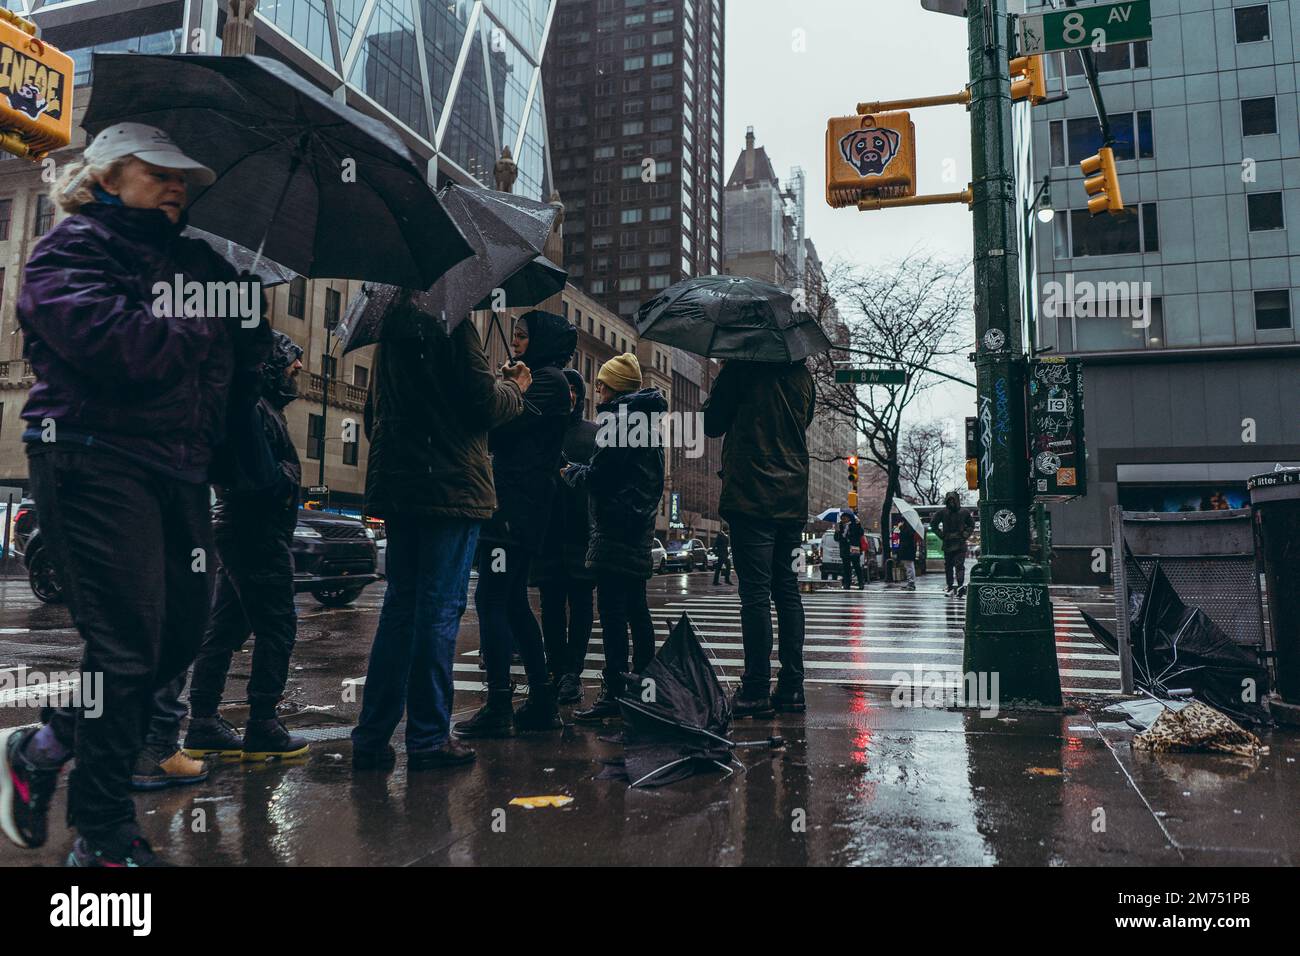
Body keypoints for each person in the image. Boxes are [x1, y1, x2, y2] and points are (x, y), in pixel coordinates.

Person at [0, 122, 270, 866]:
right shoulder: (74, 247)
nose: (180, 186)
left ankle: (47, 742)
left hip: (178, 470)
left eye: (187, 179)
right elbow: (119, 345)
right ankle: (103, 834)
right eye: (162, 173)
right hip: (90, 456)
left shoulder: (193, 262)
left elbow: (217, 382)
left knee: (177, 637)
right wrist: (202, 317)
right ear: (109, 177)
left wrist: (251, 343)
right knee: (125, 645)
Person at [351, 303, 528, 769]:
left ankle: (371, 735)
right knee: (439, 609)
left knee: (400, 609)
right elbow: (485, 405)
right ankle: (428, 738)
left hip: (400, 486)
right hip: (450, 488)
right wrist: (513, 385)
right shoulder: (453, 324)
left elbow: (373, 415)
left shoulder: (391, 332)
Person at [147, 331, 308, 767]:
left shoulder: (262, 407)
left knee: (223, 629)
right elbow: (255, 474)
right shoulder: (255, 407)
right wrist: (287, 477)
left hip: (242, 531)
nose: (299, 367)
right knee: (278, 627)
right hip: (257, 533)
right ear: (271, 364)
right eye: (292, 359)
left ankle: (203, 721)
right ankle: (263, 725)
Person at [455, 311, 576, 738]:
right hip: (520, 505)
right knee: (511, 601)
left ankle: (500, 705)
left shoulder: (548, 381)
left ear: (543, 341)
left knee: (492, 598)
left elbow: (500, 426)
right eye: (516, 336)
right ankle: (541, 700)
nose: (517, 342)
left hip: (515, 509)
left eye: (524, 337)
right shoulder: (545, 378)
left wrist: (506, 387)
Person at [703, 359, 814, 717]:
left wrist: (722, 382)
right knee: (786, 590)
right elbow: (801, 422)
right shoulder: (802, 375)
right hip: (792, 496)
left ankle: (754, 689)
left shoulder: (740, 368)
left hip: (751, 495)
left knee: (754, 594)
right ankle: (792, 688)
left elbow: (711, 423)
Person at [564, 353, 667, 722]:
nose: (598, 390)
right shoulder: (645, 423)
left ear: (615, 388)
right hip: (637, 530)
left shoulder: (620, 422)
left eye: (602, 384)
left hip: (615, 529)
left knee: (611, 613)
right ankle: (642, 685)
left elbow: (603, 475)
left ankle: (615, 691)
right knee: (636, 610)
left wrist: (575, 471)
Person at [531, 368, 597, 706]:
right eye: (564, 388)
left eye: (575, 389)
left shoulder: (594, 434)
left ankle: (573, 672)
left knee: (581, 604)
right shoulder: (542, 431)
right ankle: (555, 668)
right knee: (551, 605)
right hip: (547, 533)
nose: (569, 394)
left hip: (581, 534)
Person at [931, 491, 975, 596]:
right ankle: (951, 586)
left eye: (953, 500)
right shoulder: (942, 512)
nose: (951, 502)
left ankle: (959, 586)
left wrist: (965, 534)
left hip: (959, 543)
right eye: (949, 500)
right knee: (949, 567)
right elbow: (933, 524)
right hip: (949, 543)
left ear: (957, 501)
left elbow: (971, 525)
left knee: (959, 566)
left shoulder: (964, 512)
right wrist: (942, 535)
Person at [834, 512, 865, 590]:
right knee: (846, 568)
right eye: (842, 518)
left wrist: (858, 525)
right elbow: (837, 539)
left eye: (844, 518)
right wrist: (837, 531)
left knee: (856, 566)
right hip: (845, 550)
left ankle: (861, 583)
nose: (843, 520)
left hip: (854, 548)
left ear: (849, 518)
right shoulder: (840, 526)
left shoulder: (855, 524)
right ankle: (847, 584)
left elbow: (860, 533)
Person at [894, 519, 918, 591]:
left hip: (907, 549)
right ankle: (910, 582)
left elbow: (905, 536)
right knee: (909, 566)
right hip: (908, 549)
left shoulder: (908, 527)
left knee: (909, 566)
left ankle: (911, 583)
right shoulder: (910, 526)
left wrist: (900, 528)